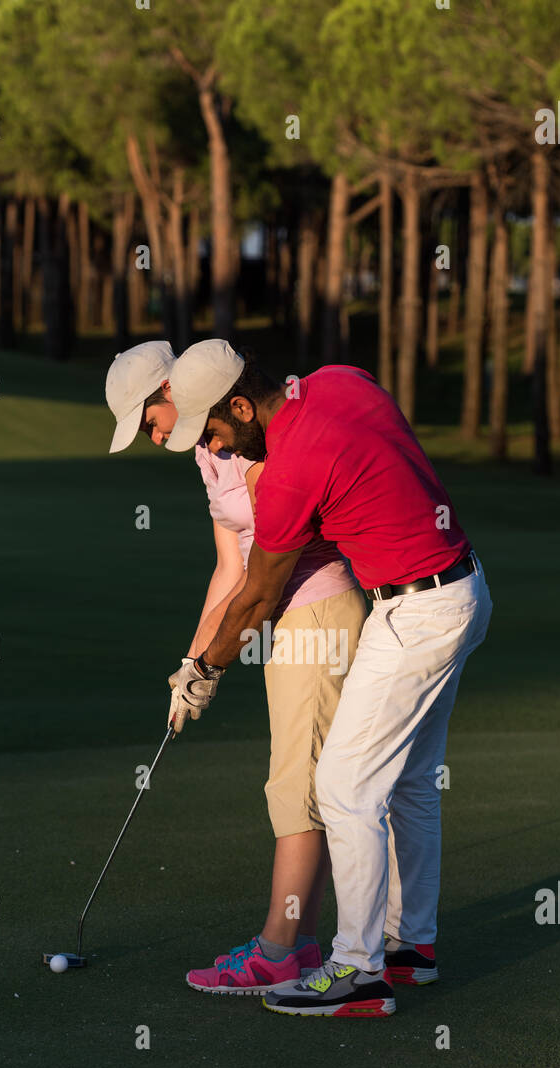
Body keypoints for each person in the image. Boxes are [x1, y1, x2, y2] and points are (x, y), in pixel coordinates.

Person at [166, 340, 492, 1020]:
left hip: (417, 613)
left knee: (343, 787)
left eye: (218, 434)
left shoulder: (287, 475)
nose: (219, 451)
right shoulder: (341, 379)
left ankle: (357, 972)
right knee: (409, 781)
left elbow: (255, 597)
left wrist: (203, 669)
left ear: (240, 404)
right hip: (462, 586)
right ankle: (411, 950)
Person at [105, 340, 367, 996]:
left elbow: (264, 572)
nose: (147, 434)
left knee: (297, 787)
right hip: (279, 620)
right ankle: (299, 943)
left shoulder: (246, 438)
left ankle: (280, 952)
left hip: (315, 613)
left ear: (167, 391)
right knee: (297, 783)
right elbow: (230, 568)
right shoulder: (206, 452)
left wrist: (213, 664)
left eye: (144, 419)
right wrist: (189, 667)